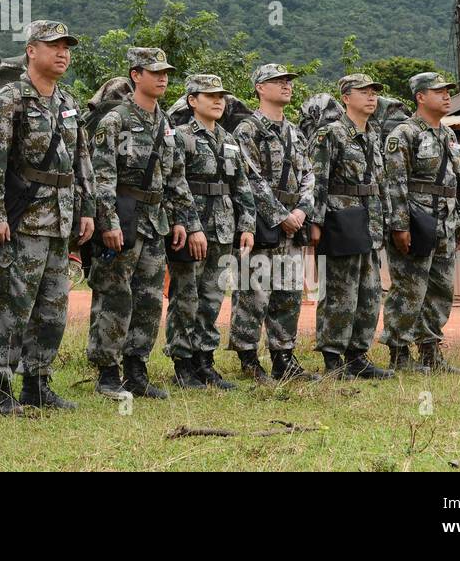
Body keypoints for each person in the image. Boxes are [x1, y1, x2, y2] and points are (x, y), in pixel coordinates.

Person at [0, 20, 96, 414]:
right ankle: (0, 387)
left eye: (67, 47)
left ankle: (38, 382)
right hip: (21, 221)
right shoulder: (8, 100)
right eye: (53, 46)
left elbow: (82, 164)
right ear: (31, 50)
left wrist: (87, 210)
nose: (63, 53)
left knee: (53, 309)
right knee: (10, 307)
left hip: (60, 223)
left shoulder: (68, 102)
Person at [87, 47, 192, 401]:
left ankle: (136, 368)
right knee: (116, 294)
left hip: (155, 222)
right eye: (154, 71)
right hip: (124, 218)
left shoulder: (166, 124)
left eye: (165, 72)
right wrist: (108, 222)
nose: (162, 77)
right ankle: (107, 371)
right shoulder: (114, 121)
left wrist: (182, 221)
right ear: (136, 75)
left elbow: (176, 178)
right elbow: (101, 177)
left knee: (149, 299)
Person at [228, 63, 319, 382]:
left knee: (289, 293)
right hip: (264, 222)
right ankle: (249, 359)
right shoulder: (247, 130)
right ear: (259, 88)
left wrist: (303, 211)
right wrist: (281, 215)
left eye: (288, 81)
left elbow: (310, 174)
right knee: (253, 291)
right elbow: (249, 177)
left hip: (295, 223)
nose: (286, 85)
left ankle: (284, 357)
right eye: (277, 81)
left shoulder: (295, 130)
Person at [164, 73, 256, 390]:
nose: (219, 101)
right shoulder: (179, 137)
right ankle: (183, 363)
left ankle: (205, 360)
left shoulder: (229, 140)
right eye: (210, 95)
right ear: (192, 100)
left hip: (224, 228)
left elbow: (241, 186)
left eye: (222, 96)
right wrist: (190, 226)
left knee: (213, 297)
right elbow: (174, 185)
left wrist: (247, 225)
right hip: (193, 229)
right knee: (186, 297)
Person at [382, 72, 460, 373]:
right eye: (439, 91)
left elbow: (458, 181)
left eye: (448, 91)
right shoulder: (403, 134)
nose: (447, 96)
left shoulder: (448, 135)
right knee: (410, 288)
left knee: (441, 289)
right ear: (420, 97)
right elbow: (394, 184)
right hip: (416, 222)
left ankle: (430, 352)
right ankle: (399, 353)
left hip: (446, 224)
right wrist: (400, 226)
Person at [309, 73, 394, 380]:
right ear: (346, 97)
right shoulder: (330, 134)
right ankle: (333, 357)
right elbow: (316, 180)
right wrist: (315, 222)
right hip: (341, 220)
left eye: (374, 92)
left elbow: (380, 183)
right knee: (339, 292)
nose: (371, 96)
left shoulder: (373, 135)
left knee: (370, 292)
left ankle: (358, 355)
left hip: (369, 222)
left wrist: (387, 220)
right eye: (364, 91)